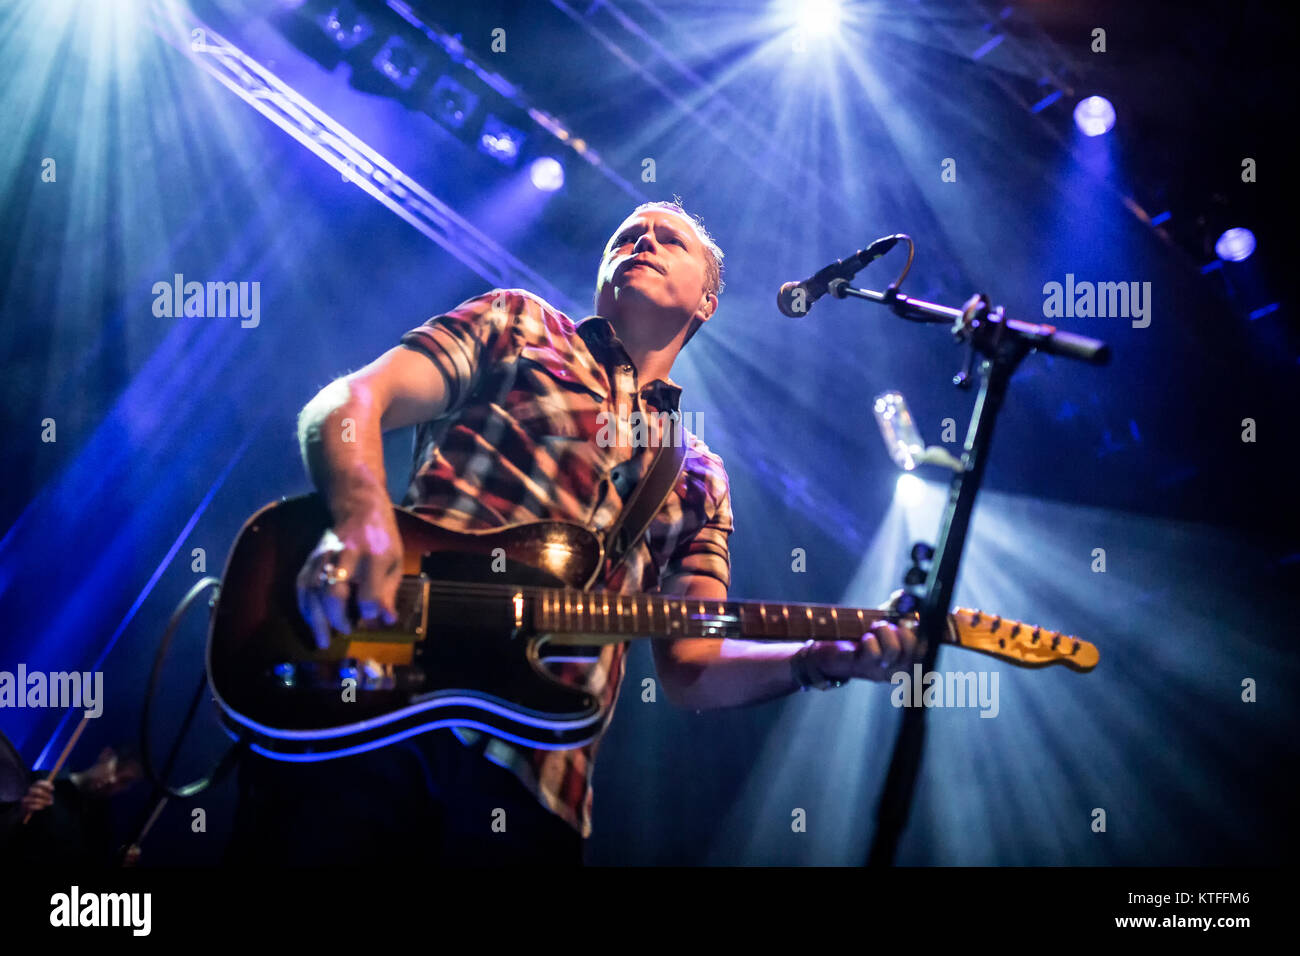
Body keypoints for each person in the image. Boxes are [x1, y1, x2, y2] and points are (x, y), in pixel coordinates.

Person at [225, 200, 922, 866]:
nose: (640, 242)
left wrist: (816, 659)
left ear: (707, 302)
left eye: (666, 239)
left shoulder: (700, 474)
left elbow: (692, 669)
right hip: (367, 709)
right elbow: (350, 401)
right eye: (627, 235)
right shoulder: (519, 323)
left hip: (535, 794)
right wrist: (361, 517)